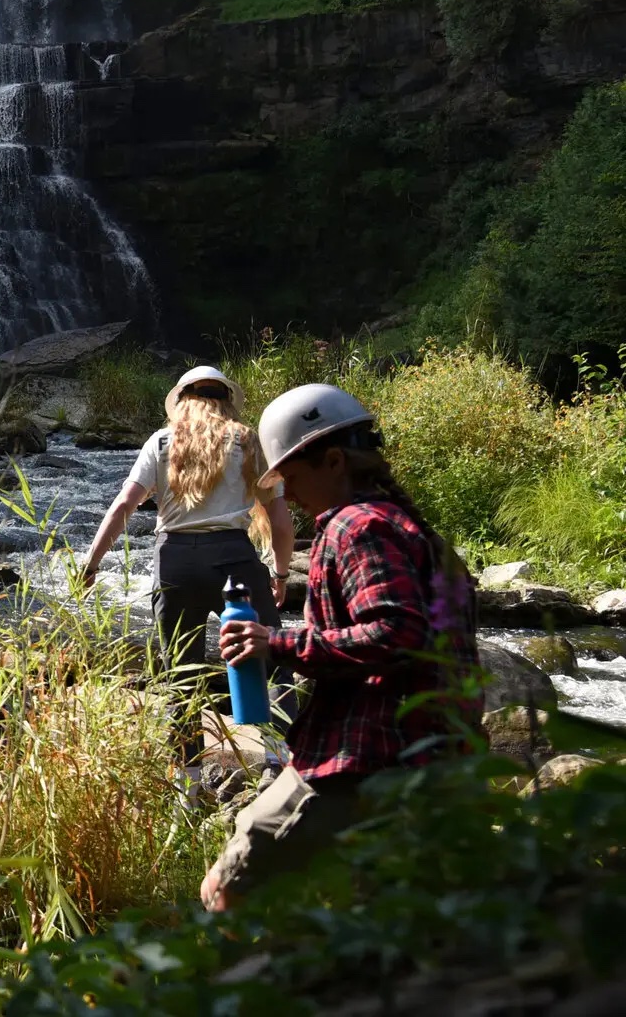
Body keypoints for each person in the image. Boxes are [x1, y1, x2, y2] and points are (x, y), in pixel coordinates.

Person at [202, 383, 481, 911]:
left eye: (291, 477)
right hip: (435, 758)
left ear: (333, 461)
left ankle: (241, 987)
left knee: (225, 890)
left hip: (364, 757)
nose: (288, 494)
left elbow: (397, 632)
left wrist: (274, 642)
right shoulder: (410, 526)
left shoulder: (357, 528)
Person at [80, 366, 295, 763]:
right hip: (235, 559)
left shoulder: (161, 442)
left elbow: (124, 505)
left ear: (181, 402)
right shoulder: (249, 442)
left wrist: (91, 563)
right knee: (272, 660)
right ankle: (280, 764)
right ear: (228, 401)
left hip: (175, 562)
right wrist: (281, 574)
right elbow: (281, 522)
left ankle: (189, 782)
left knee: (181, 673)